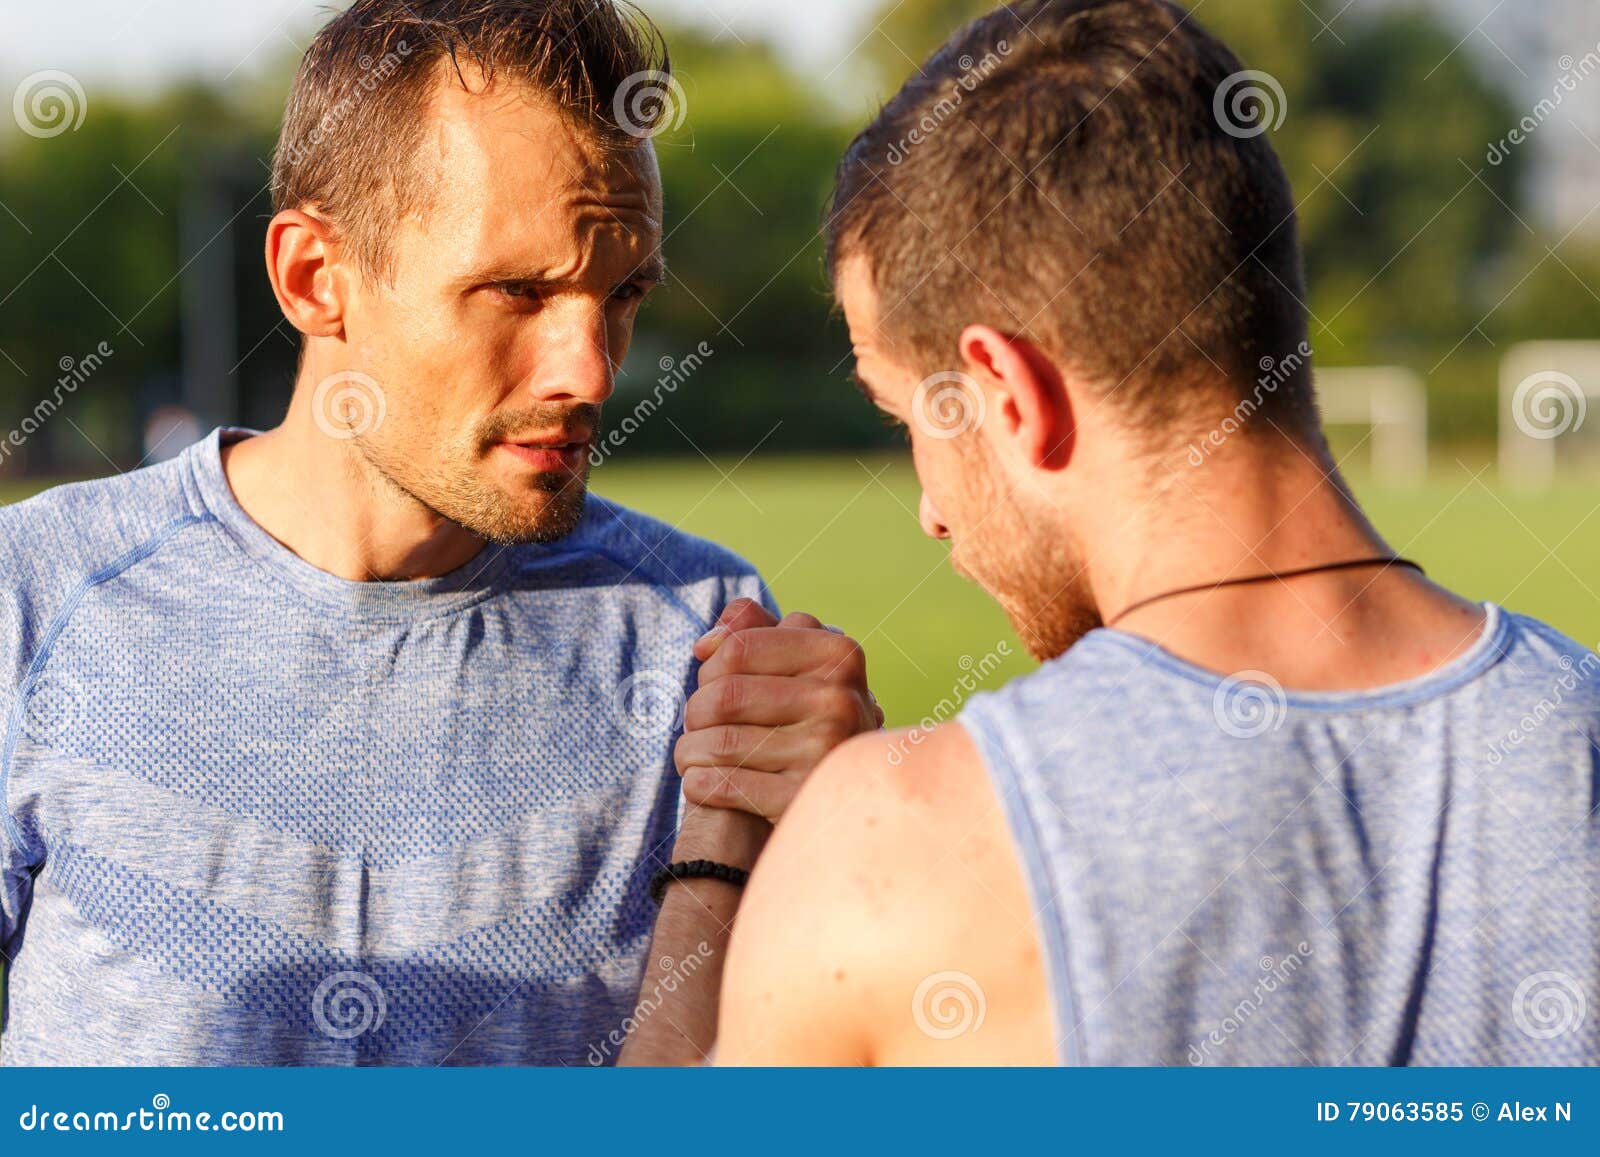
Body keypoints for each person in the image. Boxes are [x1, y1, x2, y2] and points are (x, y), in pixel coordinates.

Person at [635, 0, 1600, 1065]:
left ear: (1008, 394)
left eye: (904, 415)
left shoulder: (890, 847)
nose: (930, 509)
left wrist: (756, 853)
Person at [0, 0, 877, 1065]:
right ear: (315, 278)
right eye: (516, 290)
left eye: (623, 293)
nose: (590, 369)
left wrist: (838, 834)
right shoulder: (34, 598)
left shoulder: (707, 643)